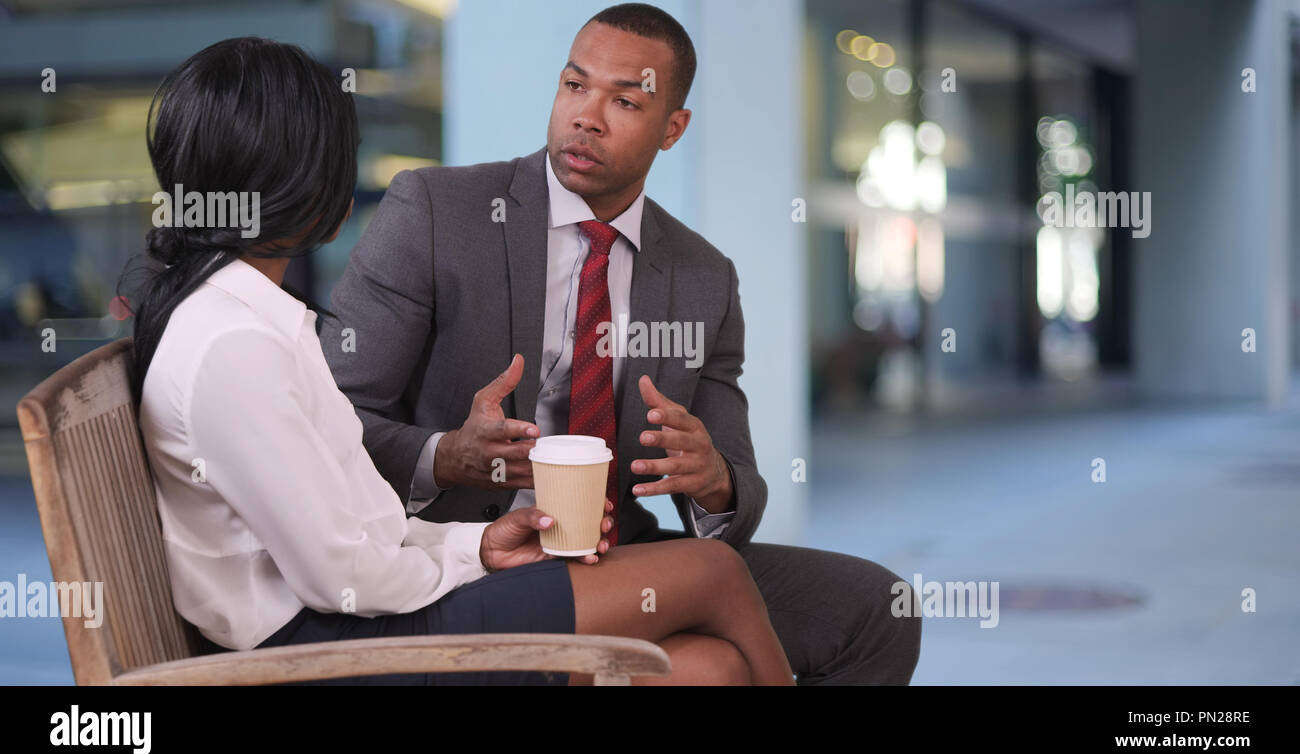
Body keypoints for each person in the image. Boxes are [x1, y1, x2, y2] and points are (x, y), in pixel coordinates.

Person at [127, 36, 794, 686]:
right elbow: (343, 573)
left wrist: (475, 547)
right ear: (312, 188)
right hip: (335, 646)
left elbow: (356, 527)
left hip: (357, 617)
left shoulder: (245, 321)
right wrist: (462, 567)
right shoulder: (235, 346)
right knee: (713, 573)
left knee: (713, 669)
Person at [321, 3, 921, 684]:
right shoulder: (435, 211)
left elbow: (739, 488)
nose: (587, 116)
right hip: (467, 553)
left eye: (625, 101)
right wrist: (446, 456)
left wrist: (713, 479)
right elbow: (327, 423)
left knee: (882, 606)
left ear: (673, 129)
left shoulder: (702, 277)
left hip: (621, 558)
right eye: (574, 86)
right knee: (711, 663)